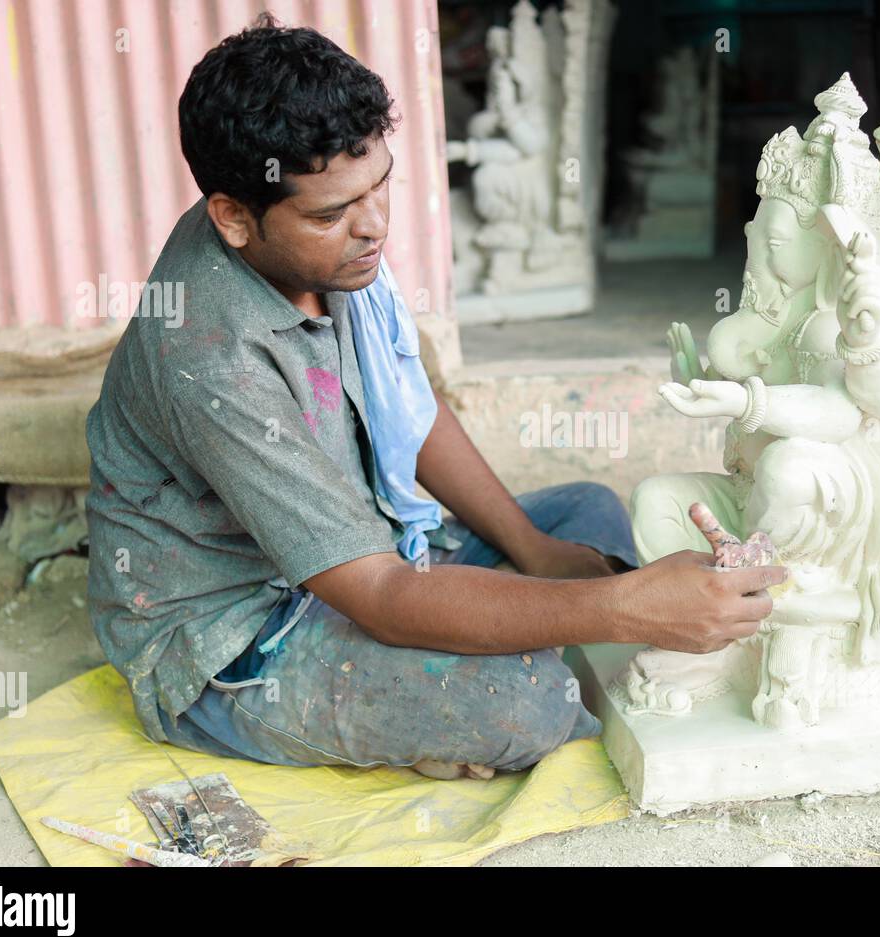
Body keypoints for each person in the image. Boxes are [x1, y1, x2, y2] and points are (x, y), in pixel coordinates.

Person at [85, 15, 783, 781]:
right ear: (233, 217)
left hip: (362, 541)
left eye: (379, 183)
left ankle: (494, 637)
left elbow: (407, 408)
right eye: (332, 213)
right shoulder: (212, 354)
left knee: (584, 516)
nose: (375, 226)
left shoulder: (324, 242)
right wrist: (622, 607)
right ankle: (460, 679)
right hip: (239, 627)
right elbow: (379, 593)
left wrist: (539, 555)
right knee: (526, 704)